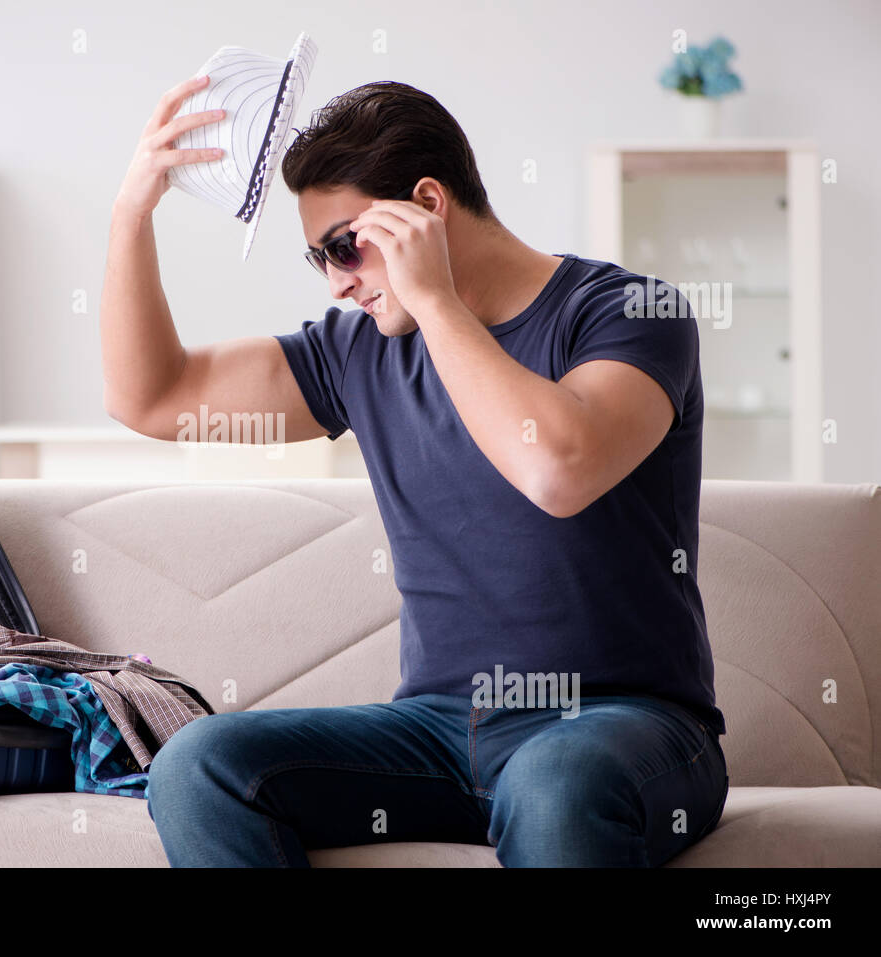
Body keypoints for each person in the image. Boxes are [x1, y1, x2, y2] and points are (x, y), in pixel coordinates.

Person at [101, 76, 728, 867]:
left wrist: (436, 304)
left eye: (343, 247)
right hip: (439, 732)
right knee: (198, 765)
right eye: (317, 257)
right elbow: (148, 397)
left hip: (623, 724)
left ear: (427, 206)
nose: (336, 282)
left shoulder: (629, 312)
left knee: (555, 782)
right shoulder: (356, 348)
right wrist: (131, 213)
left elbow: (559, 467)